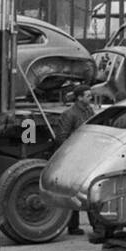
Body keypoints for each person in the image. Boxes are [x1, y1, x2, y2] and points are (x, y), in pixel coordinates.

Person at [52, 87, 99, 235]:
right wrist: (73, 155)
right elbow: (61, 138)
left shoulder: (89, 111)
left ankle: (96, 226)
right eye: (87, 96)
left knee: (90, 191)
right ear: (79, 98)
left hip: (88, 157)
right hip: (75, 159)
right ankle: (74, 226)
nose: (90, 98)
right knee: (75, 192)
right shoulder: (70, 114)